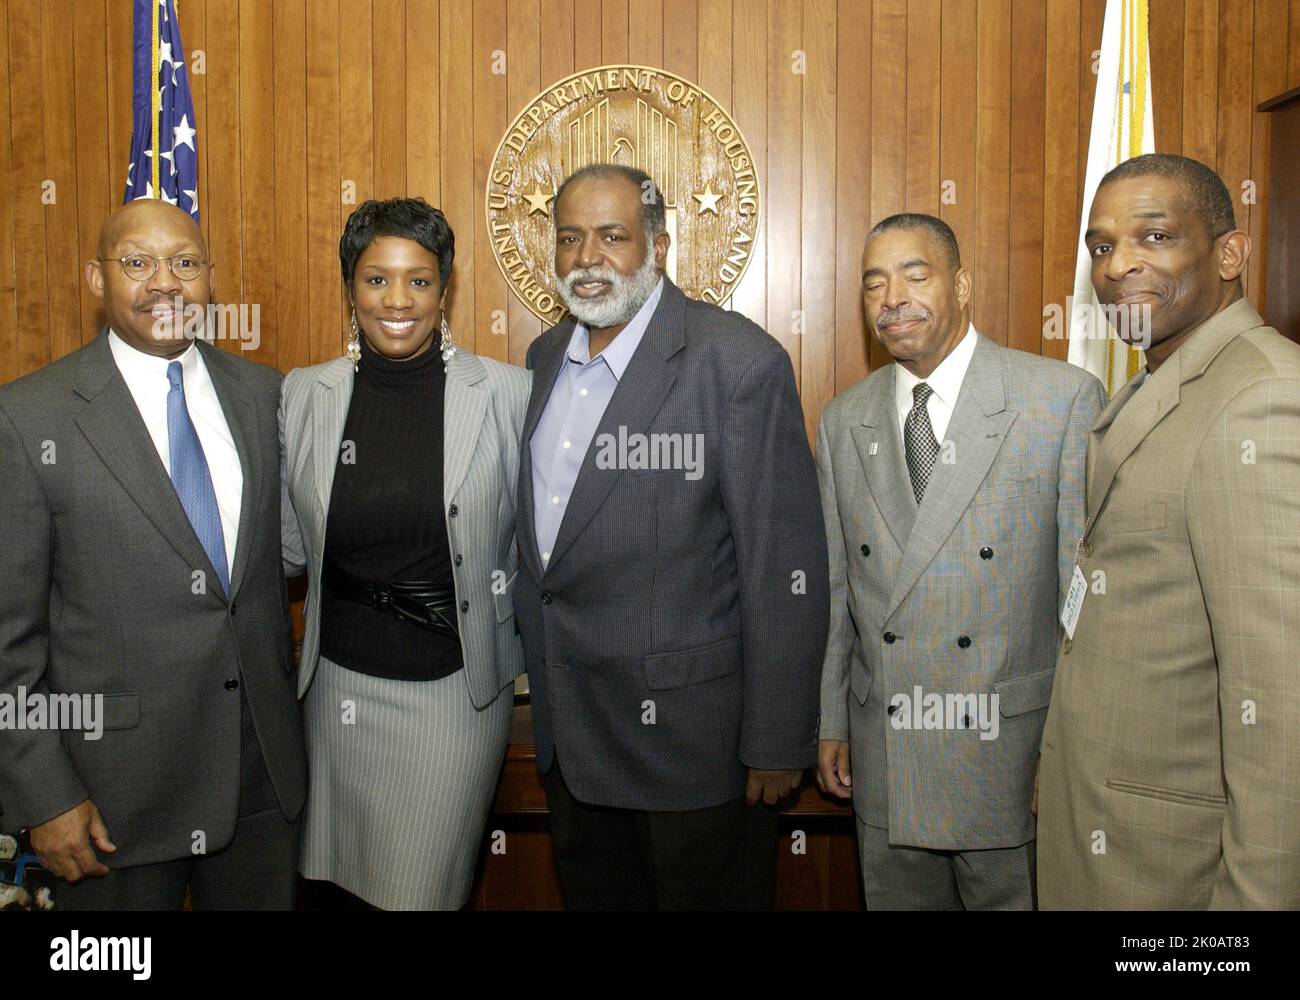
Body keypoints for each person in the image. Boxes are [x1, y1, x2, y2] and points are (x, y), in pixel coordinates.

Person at [514, 163, 828, 910]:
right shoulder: (542, 359)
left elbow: (783, 568)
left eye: (612, 236)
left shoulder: (737, 363)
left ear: (658, 244)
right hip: (574, 740)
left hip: (693, 753)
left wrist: (779, 739)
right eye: (569, 239)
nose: (587, 258)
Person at [0, 199, 306, 910]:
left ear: (209, 280)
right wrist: (44, 797)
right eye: (137, 263)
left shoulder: (264, 395)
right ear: (95, 278)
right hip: (109, 801)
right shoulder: (29, 418)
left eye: (186, 263)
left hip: (261, 782)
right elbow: (9, 640)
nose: (165, 282)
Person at [815, 213, 1105, 909]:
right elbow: (836, 593)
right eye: (874, 284)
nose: (893, 299)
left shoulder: (1057, 401)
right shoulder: (842, 419)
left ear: (963, 285)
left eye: (916, 275)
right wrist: (831, 720)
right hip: (885, 752)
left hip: (1007, 758)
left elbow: (1084, 605)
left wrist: (1067, 755)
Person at [1036, 153, 1300, 909]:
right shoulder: (1164, 378)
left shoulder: (1261, 400)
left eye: (1154, 237)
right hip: (1111, 833)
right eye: (1102, 246)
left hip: (1177, 875)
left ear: (1229, 253)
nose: (1120, 265)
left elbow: (1281, 707)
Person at [280, 197, 529, 910]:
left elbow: (536, 547)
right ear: (350, 287)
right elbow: (291, 549)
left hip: (453, 695)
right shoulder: (304, 394)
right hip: (334, 692)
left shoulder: (507, 395)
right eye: (376, 279)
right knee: (330, 888)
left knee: (422, 893)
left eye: (418, 280)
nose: (397, 300)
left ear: (443, 289)